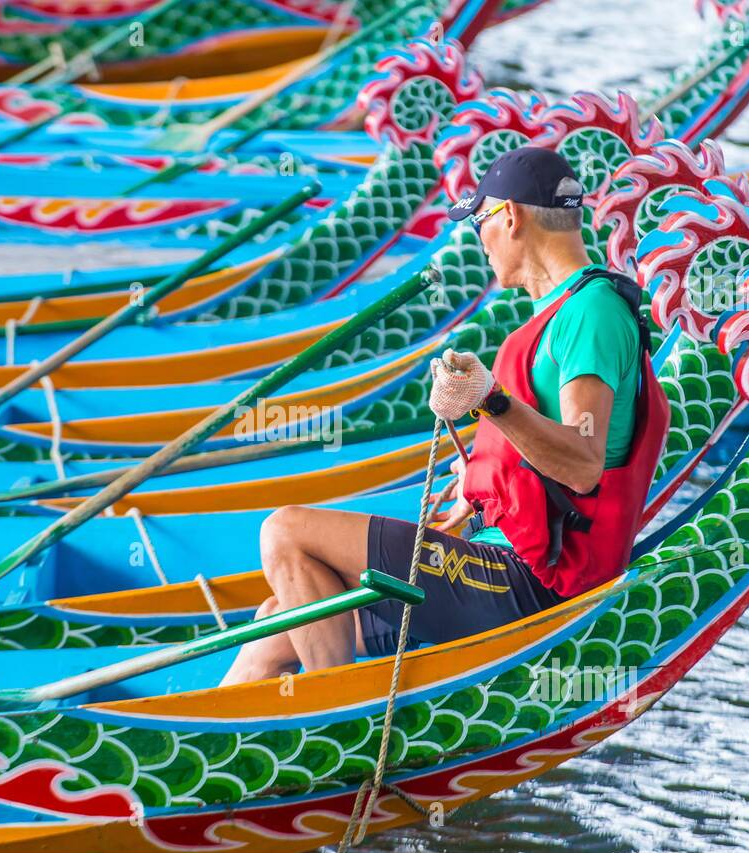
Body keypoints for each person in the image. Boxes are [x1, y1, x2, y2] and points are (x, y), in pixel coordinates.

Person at [221, 147, 669, 686]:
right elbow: (549, 463)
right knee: (275, 625)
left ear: (511, 216)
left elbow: (582, 463)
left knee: (284, 532)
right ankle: (264, 760)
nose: (480, 241)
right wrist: (481, 480)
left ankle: (338, 712)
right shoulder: (569, 309)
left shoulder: (589, 313)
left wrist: (490, 400)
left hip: (531, 582)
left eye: (480, 222)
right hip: (502, 558)